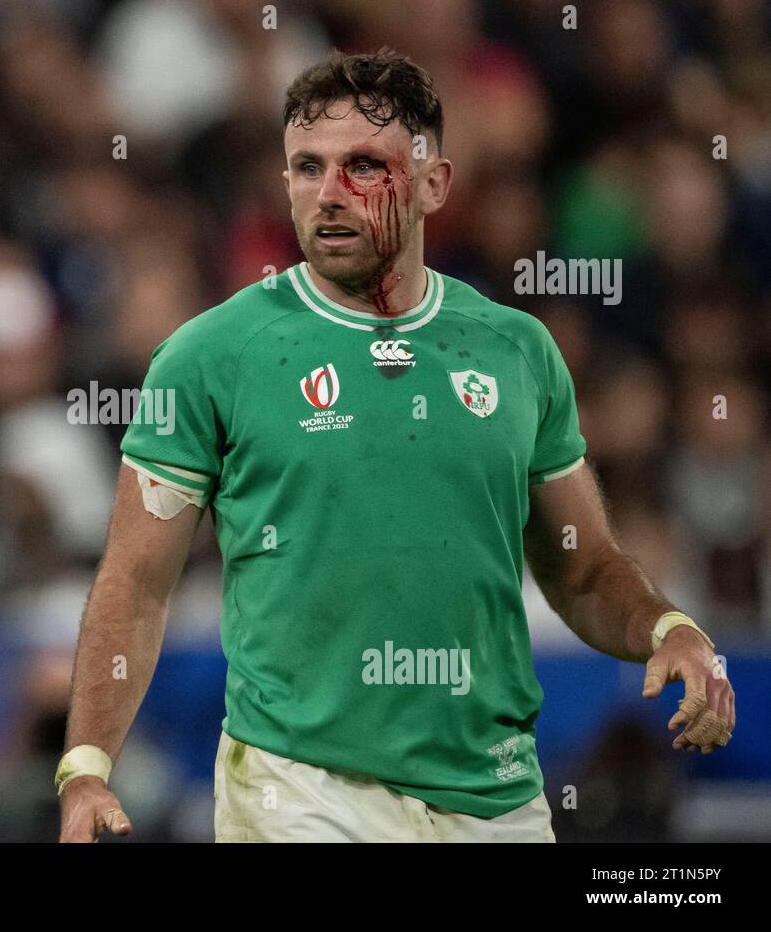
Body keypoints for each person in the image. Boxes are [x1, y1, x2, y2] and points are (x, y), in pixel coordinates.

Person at [56, 48, 735, 843]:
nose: (330, 195)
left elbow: (582, 566)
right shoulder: (211, 357)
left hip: (497, 796)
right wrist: (87, 766)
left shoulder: (517, 351)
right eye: (307, 168)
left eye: (363, 167)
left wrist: (667, 628)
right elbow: (134, 582)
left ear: (433, 185)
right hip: (300, 789)